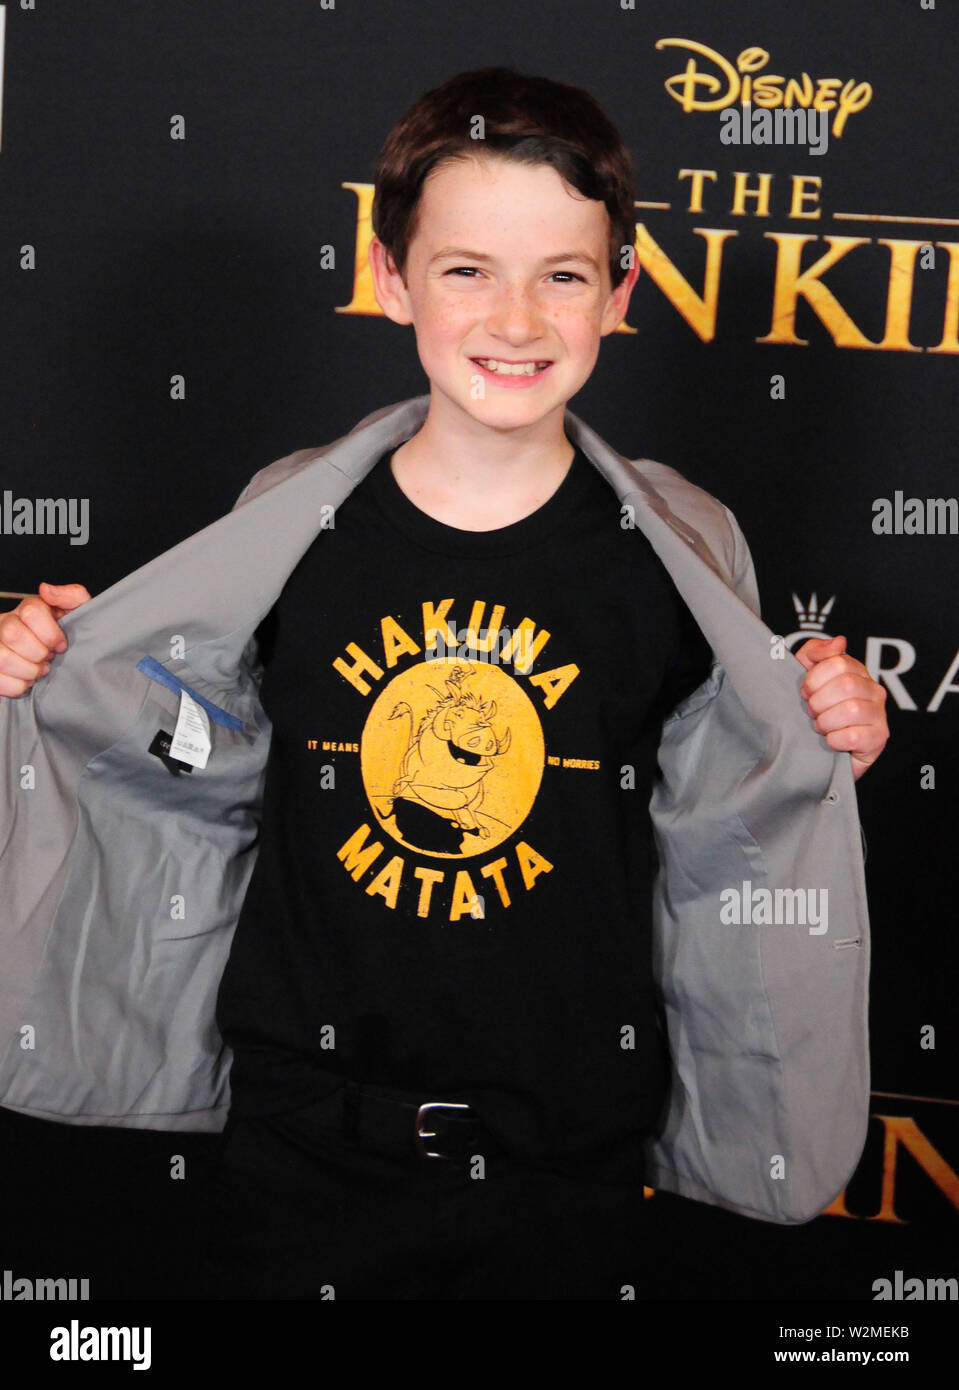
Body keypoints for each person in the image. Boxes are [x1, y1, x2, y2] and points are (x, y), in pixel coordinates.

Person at [0, 67, 889, 1300]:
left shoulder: (686, 546)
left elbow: (727, 816)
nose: (514, 319)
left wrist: (828, 732)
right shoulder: (286, 516)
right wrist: (65, 675)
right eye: (466, 269)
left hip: (566, 1162)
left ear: (619, 293)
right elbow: (209, 760)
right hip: (304, 1145)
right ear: (388, 279)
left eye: (562, 276)